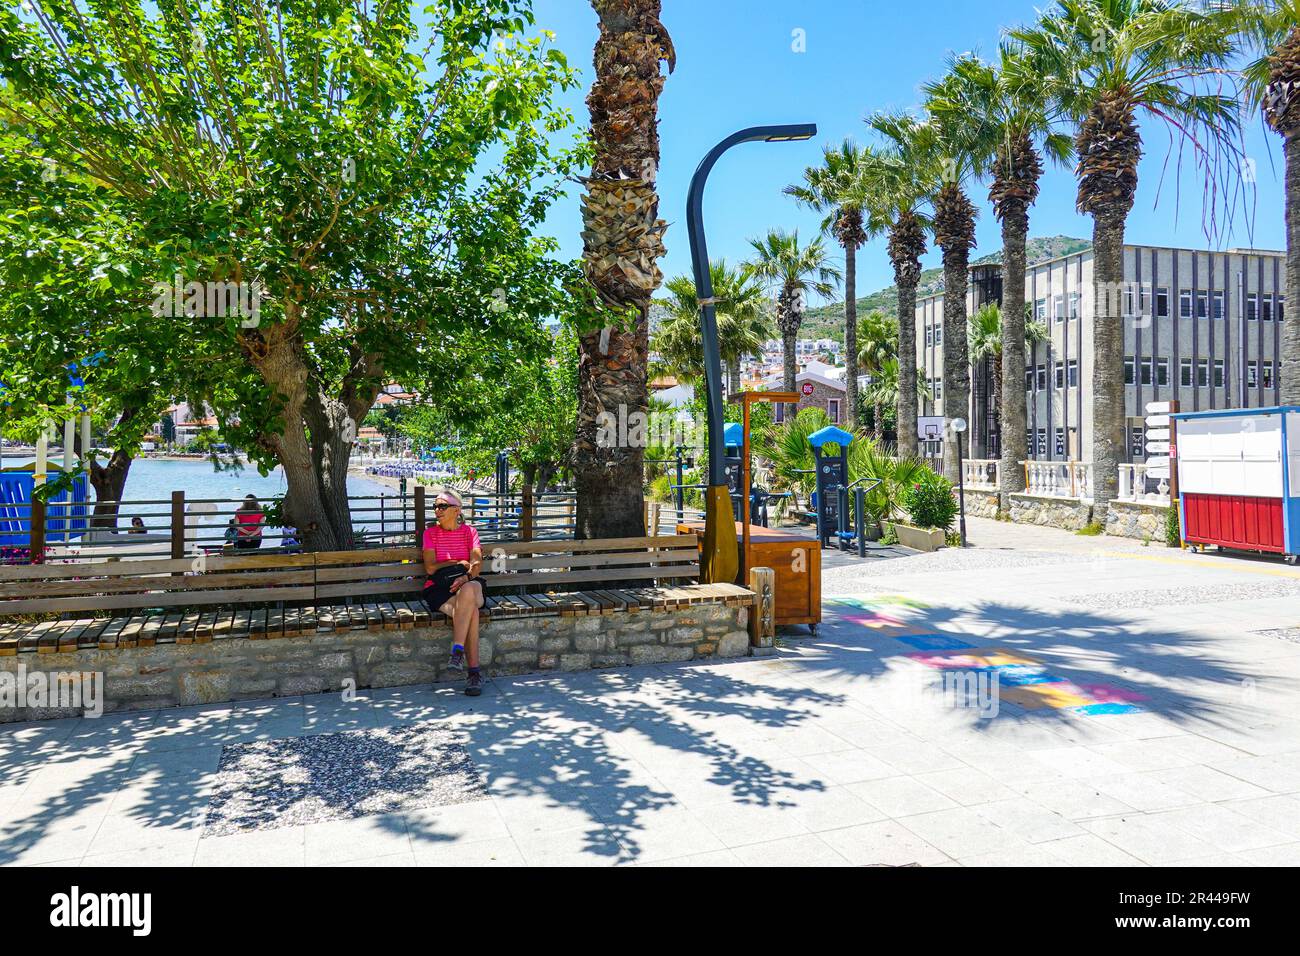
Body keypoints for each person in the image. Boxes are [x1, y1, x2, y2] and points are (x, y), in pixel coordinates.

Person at [421, 490, 485, 696]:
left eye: (442, 506)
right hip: (439, 588)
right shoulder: (429, 533)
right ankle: (473, 673)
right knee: (471, 612)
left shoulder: (470, 532)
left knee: (468, 589)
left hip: (469, 583)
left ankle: (457, 651)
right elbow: (430, 568)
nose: (437, 510)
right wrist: (457, 563)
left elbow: (476, 564)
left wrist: (466, 576)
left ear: (456, 510)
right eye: (435, 507)